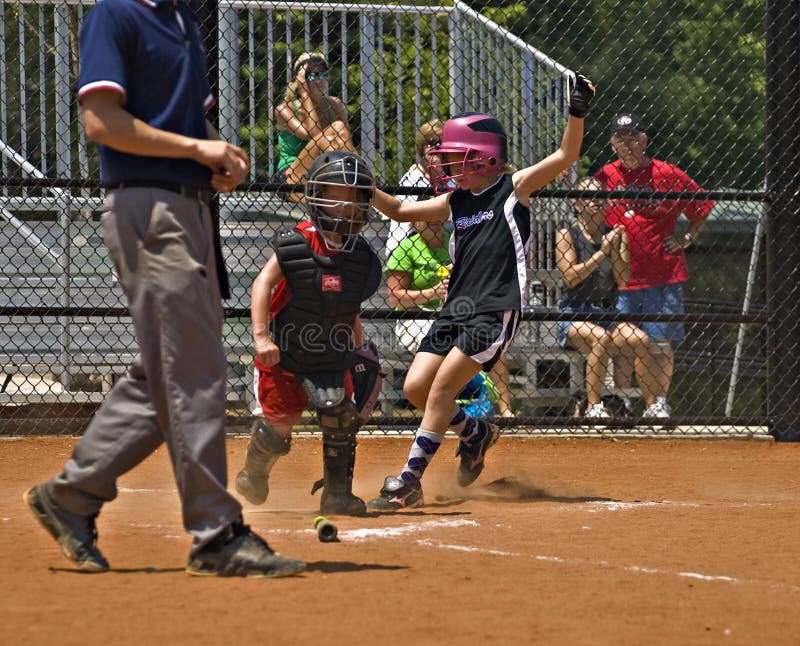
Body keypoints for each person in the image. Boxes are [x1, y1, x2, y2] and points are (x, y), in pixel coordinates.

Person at [23, 0, 305, 578]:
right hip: (148, 205)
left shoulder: (181, 23)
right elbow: (101, 120)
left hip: (192, 210)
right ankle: (216, 534)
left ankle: (71, 498)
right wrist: (197, 151)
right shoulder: (117, 14)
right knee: (195, 372)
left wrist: (218, 152)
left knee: (168, 374)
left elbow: (191, 124)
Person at [365, 73, 596, 510]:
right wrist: (363, 184)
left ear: (485, 159)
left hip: (494, 309)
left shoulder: (513, 189)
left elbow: (567, 155)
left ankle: (409, 481)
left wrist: (576, 112)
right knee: (416, 388)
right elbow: (397, 208)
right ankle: (475, 434)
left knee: (440, 391)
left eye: (455, 158)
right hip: (455, 310)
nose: (446, 167)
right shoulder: (455, 202)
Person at [235, 151, 383, 517]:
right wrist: (260, 337)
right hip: (284, 352)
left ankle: (337, 495)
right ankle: (254, 473)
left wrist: (361, 349)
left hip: (330, 352)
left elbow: (347, 307)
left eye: (352, 198)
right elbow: (262, 285)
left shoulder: (359, 254)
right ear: (316, 195)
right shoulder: (299, 241)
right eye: (335, 196)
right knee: (276, 430)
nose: (344, 206)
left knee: (341, 416)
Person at [594, 114, 715, 417]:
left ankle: (657, 403)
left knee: (660, 342)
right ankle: (622, 400)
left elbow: (701, 206)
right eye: (620, 138)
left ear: (644, 140)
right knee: (623, 342)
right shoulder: (605, 176)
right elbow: (585, 208)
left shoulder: (667, 174)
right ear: (612, 144)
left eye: (633, 137)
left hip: (663, 274)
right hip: (619, 278)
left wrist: (686, 237)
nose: (627, 144)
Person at [386, 215, 516, 417]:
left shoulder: (454, 242)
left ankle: (506, 410)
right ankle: (453, 412)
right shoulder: (406, 248)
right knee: (449, 351)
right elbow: (395, 298)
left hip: (457, 314)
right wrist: (432, 292)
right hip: (417, 317)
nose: (435, 218)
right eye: (428, 214)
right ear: (415, 221)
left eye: (438, 213)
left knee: (493, 344)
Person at [555, 177, 660, 418]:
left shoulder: (615, 234)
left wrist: (614, 249)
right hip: (574, 313)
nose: (595, 201)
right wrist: (601, 253)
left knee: (641, 340)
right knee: (600, 339)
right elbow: (571, 277)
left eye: (599, 196)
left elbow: (623, 280)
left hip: (607, 313)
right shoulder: (566, 234)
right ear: (577, 204)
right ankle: (594, 407)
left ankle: (652, 406)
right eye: (588, 197)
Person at [272, 52, 356, 200]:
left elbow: (346, 142)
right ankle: (359, 185)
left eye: (323, 74)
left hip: (328, 172)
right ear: (300, 80)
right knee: (325, 139)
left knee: (339, 127)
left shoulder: (334, 104)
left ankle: (359, 182)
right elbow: (317, 138)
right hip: (293, 178)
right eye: (312, 75)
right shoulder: (285, 110)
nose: (319, 80)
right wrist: (305, 94)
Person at [384, 119, 446, 259]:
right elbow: (413, 221)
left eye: (441, 143)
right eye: (431, 143)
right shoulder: (413, 178)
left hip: (442, 247)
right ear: (422, 148)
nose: (436, 147)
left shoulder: (453, 178)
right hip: (406, 249)